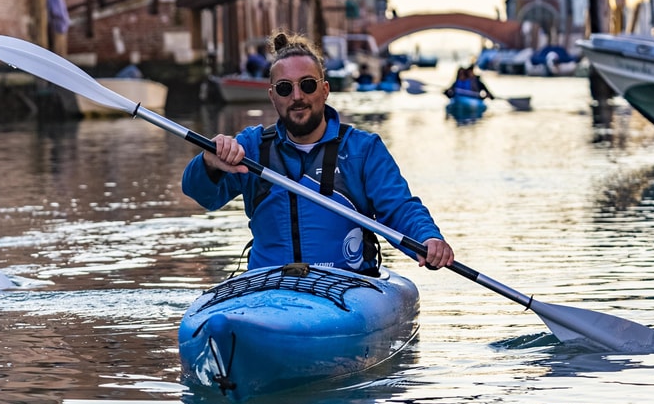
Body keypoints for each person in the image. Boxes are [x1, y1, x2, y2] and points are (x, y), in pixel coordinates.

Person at [182, 30, 455, 273]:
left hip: (347, 285)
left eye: (308, 85)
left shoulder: (363, 149)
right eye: (285, 88)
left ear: (325, 90)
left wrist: (427, 238)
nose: (297, 96)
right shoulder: (251, 147)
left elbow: (399, 208)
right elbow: (202, 195)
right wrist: (208, 162)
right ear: (272, 96)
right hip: (267, 286)